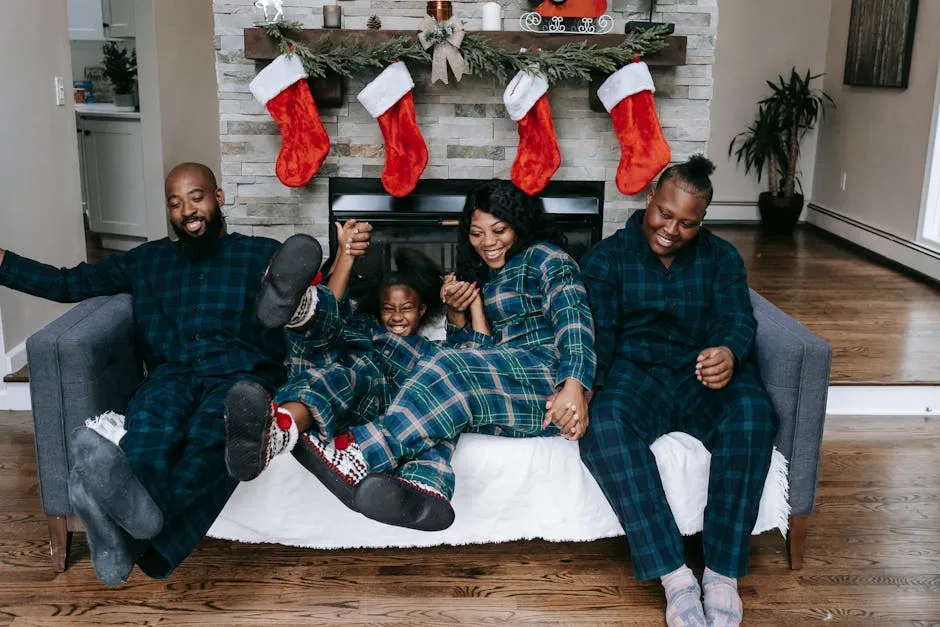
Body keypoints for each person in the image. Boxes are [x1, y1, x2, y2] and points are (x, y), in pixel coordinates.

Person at [0, 162, 328, 585]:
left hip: (240, 377)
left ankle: (126, 538)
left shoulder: (262, 254)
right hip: (171, 376)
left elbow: (311, 303)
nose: (187, 210)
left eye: (197, 197)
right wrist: (4, 263)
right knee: (151, 431)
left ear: (219, 198)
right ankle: (135, 534)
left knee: (214, 441)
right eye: (175, 203)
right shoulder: (147, 260)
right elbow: (67, 283)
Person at [296, 179, 596, 532]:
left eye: (499, 230)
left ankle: (361, 455)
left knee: (446, 367)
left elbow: (573, 319)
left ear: (519, 225)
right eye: (476, 233)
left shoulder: (545, 258)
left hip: (547, 379)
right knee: (440, 397)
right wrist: (461, 313)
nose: (488, 243)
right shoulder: (487, 276)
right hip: (510, 385)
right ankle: (426, 484)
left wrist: (575, 386)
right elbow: (479, 354)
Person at [578, 155, 778, 627]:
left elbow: (737, 317)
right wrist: (583, 388)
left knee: (753, 413)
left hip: (699, 370)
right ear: (650, 198)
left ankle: (723, 573)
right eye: (665, 214)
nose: (672, 229)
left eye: (688, 223)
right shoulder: (606, 259)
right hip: (636, 371)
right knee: (603, 426)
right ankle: (675, 577)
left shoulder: (722, 256)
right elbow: (599, 337)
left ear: (702, 221)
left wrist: (728, 351)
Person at [223, 220, 492, 531]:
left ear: (421, 311)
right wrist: (346, 254)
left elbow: (478, 359)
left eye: (406, 308)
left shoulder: (431, 350)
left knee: (437, 422)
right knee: (337, 374)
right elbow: (334, 325)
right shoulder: (368, 330)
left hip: (399, 406)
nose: (396, 316)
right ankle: (277, 426)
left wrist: (470, 305)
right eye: (388, 308)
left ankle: (425, 492)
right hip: (361, 382)